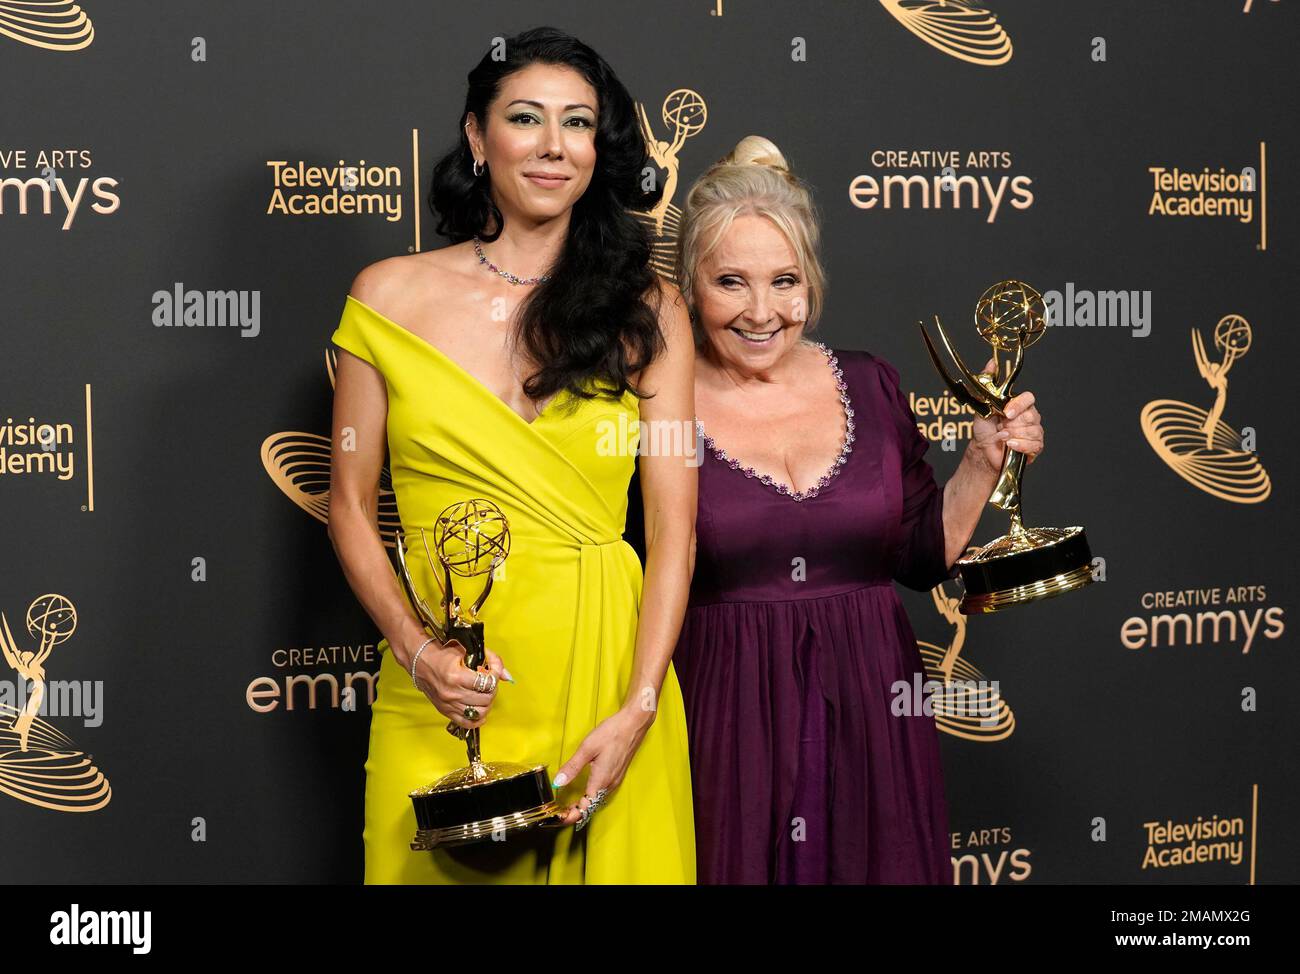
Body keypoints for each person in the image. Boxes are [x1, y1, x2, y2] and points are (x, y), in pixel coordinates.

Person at [327, 27, 697, 884]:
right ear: (474, 136)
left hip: (606, 675)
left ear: (598, 150)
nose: (552, 146)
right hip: (440, 682)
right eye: (525, 118)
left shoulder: (650, 309)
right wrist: (419, 655)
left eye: (577, 125)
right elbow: (349, 506)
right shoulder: (387, 296)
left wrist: (638, 707)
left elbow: (675, 534)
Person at [670, 135, 1045, 884]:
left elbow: (916, 558)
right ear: (688, 285)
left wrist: (980, 460)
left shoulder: (870, 383)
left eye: (785, 281)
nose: (762, 311)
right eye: (730, 282)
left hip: (875, 705)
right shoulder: (657, 403)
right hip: (728, 714)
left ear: (810, 281)